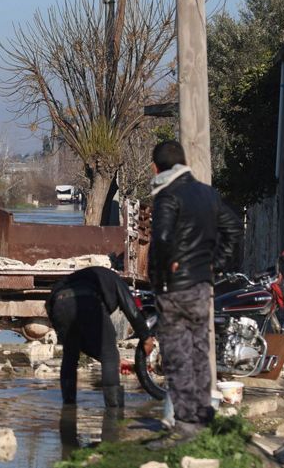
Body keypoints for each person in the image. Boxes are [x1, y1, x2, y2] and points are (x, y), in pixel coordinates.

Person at [148, 140, 243, 439]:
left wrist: (168, 266)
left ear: (156, 167)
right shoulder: (208, 194)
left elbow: (162, 237)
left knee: (177, 355)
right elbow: (234, 228)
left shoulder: (167, 196)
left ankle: (187, 423)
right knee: (201, 351)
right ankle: (204, 415)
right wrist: (215, 262)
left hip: (175, 288)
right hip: (202, 286)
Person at [47, 266, 150, 409]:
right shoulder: (116, 280)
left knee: (70, 355)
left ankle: (68, 406)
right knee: (110, 355)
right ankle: (114, 411)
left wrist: (113, 360)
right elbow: (131, 308)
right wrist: (146, 337)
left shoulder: (84, 277)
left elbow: (50, 305)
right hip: (88, 300)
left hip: (58, 304)